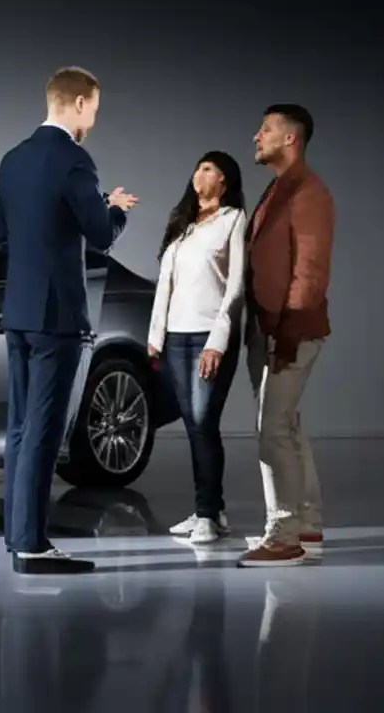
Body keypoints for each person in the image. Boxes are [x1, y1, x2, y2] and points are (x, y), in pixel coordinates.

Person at [0, 66, 137, 574]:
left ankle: (17, 537)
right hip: (56, 317)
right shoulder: (75, 161)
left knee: (18, 428)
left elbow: (2, 238)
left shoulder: (12, 161)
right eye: (94, 106)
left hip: (18, 313)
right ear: (77, 103)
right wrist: (115, 208)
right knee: (45, 432)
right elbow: (100, 234)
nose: (94, 117)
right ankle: (32, 546)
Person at [237, 103, 333, 568]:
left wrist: (288, 333)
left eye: (266, 129)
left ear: (290, 138)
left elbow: (310, 272)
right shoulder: (279, 188)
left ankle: (284, 536)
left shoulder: (308, 192)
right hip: (267, 327)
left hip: (287, 329)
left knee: (271, 430)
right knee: (288, 424)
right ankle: (308, 524)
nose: (257, 136)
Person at [147, 151, 248, 545]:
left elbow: (236, 286)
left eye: (208, 168)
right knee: (194, 427)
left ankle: (208, 513)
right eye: (198, 166)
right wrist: (155, 339)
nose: (198, 173)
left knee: (204, 422)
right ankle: (211, 510)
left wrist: (218, 343)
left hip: (209, 337)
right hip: (175, 339)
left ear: (224, 180)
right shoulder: (183, 226)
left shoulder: (233, 220)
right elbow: (165, 287)